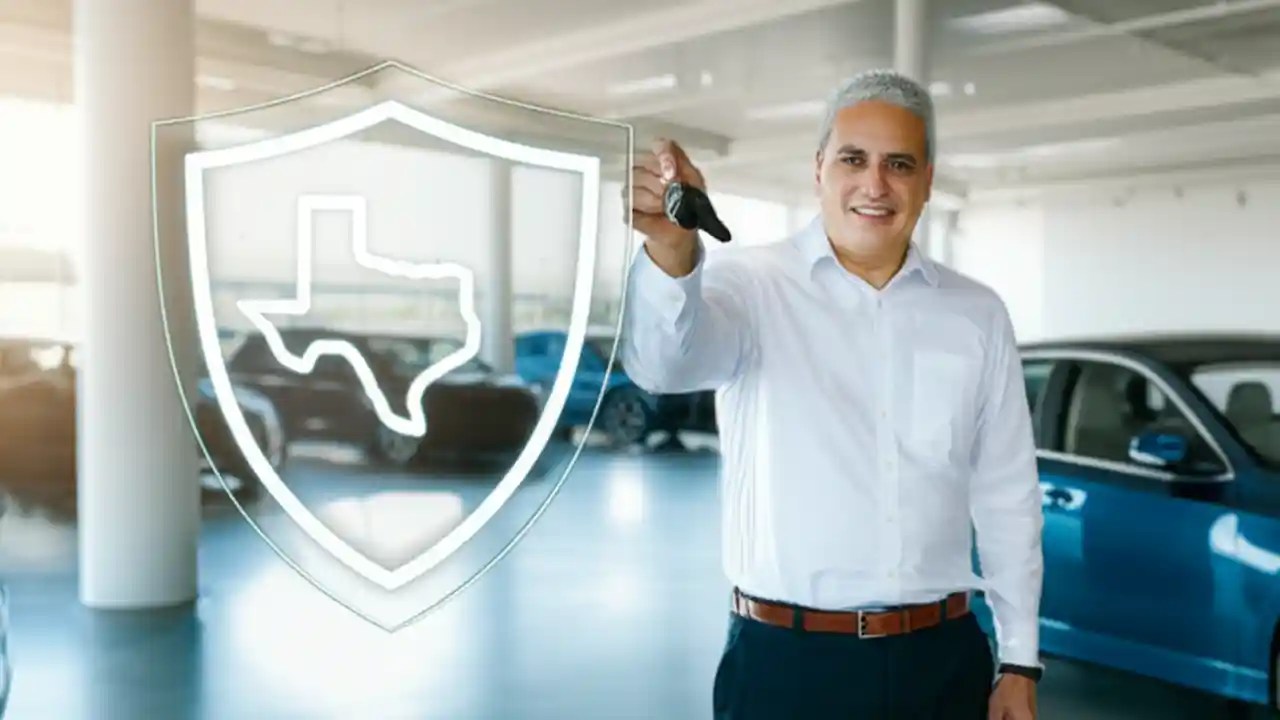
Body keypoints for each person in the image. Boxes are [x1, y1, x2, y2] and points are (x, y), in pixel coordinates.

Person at [619, 69, 1044, 719]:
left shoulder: (976, 314)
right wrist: (674, 253)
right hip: (786, 668)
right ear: (819, 168)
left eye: (899, 164)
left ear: (927, 181)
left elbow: (1007, 494)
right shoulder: (750, 286)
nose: (875, 185)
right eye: (854, 159)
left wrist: (1019, 659)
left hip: (942, 664)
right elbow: (663, 366)